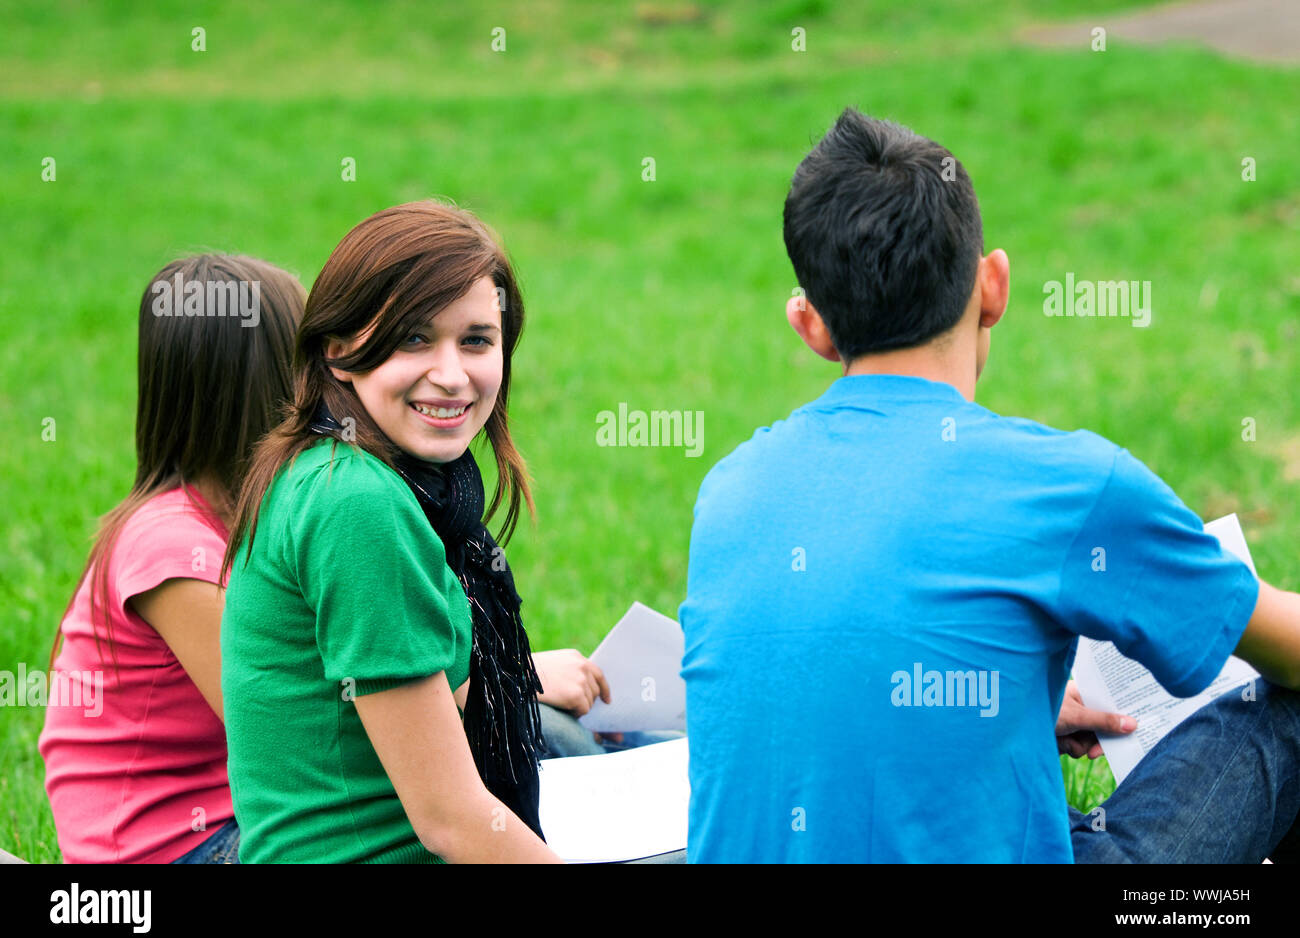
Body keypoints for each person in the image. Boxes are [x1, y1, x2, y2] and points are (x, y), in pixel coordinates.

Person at [679, 108, 1300, 863]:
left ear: (809, 324)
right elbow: (1289, 649)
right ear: (994, 285)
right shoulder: (1064, 484)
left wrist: (1001, 708)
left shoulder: (729, 490)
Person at [220, 200, 609, 863]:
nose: (453, 374)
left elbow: (438, 703)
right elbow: (452, 821)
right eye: (415, 338)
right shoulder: (357, 504)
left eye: (477, 340)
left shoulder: (354, 473)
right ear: (339, 350)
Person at [39, 254, 305, 863]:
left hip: (228, 819)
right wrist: (496, 688)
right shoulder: (172, 549)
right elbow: (294, 728)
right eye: (305, 363)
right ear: (261, 388)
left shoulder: (240, 521)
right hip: (170, 852)